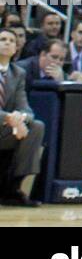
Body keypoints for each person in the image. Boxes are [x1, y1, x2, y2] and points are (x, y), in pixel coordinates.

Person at [0, 28, 46, 206]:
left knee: (36, 126)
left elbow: (25, 107)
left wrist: (22, 117)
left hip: (4, 129)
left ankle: (14, 188)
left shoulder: (18, 73)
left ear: (16, 49)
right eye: (3, 39)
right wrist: (10, 118)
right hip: (4, 122)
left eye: (11, 41)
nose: (7, 43)